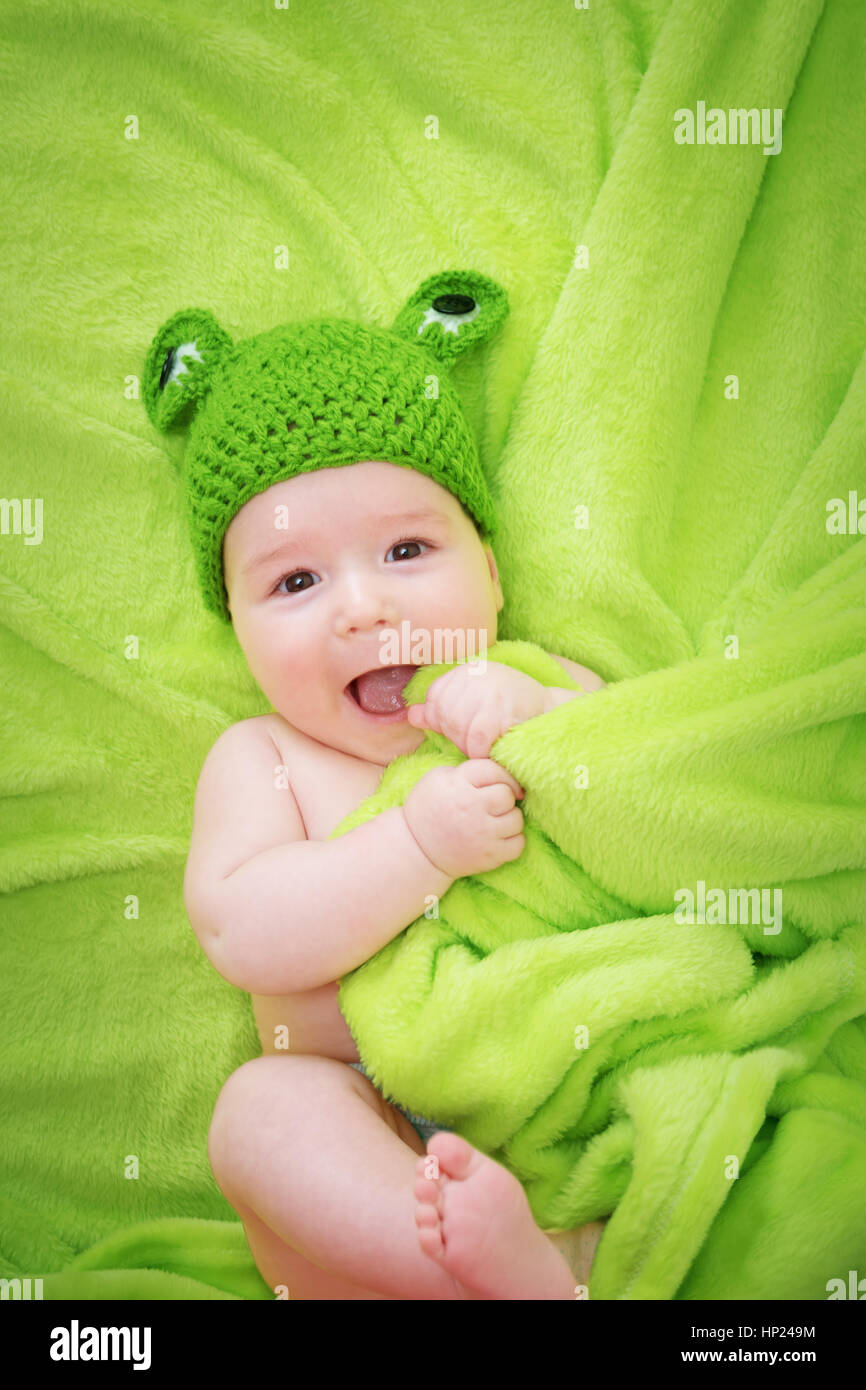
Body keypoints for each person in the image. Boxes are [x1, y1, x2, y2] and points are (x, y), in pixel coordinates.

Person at [146, 273, 608, 1299]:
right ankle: (489, 1274)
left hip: (565, 1090)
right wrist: (417, 847)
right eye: (294, 582)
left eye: (406, 549)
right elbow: (242, 931)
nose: (363, 607)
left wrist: (539, 725)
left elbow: (637, 802)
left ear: (487, 572)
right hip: (374, 1126)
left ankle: (554, 1263)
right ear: (237, 626)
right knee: (260, 1111)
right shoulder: (264, 759)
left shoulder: (529, 685)